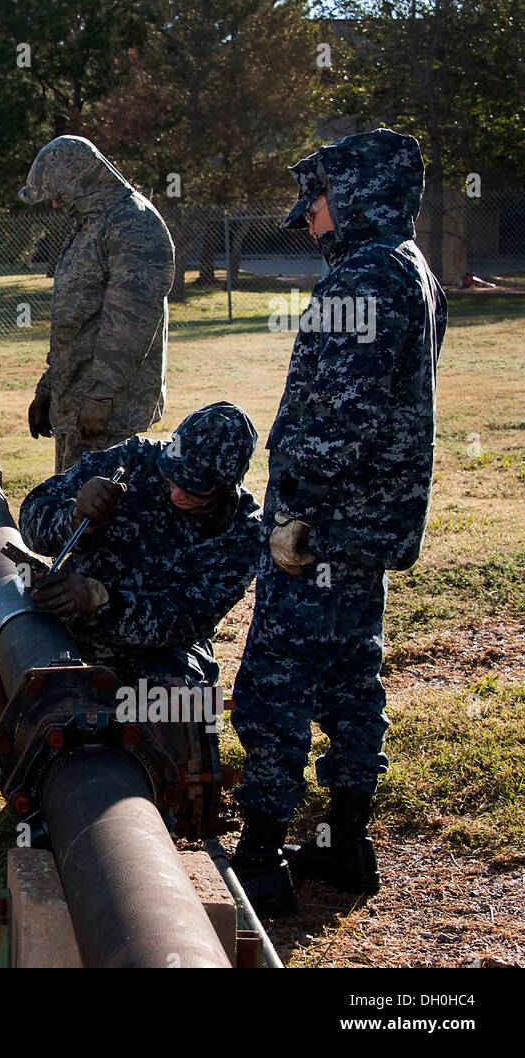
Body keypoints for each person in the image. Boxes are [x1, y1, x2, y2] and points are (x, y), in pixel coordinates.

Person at [229, 128, 447, 917]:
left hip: (320, 531)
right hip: (371, 529)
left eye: (316, 203)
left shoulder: (361, 277)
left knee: (277, 685)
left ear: (352, 196)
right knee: (354, 676)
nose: (310, 222)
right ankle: (347, 843)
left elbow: (340, 416)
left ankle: (258, 860)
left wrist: (299, 513)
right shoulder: (413, 271)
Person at [18, 402, 262, 697]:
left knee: (179, 712)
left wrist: (98, 600)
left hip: (164, 652)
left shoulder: (243, 531)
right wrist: (74, 519)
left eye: (193, 489)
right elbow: (32, 517)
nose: (175, 494)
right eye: (173, 478)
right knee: (47, 702)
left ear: (227, 485)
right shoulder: (134, 460)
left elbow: (186, 620)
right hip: (72, 628)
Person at [18, 135, 174, 474]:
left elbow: (131, 321)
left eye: (58, 195)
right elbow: (78, 320)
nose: (56, 206)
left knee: (95, 514)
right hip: (77, 401)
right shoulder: (90, 224)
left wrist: (102, 395)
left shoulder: (133, 224)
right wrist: (50, 387)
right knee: (67, 506)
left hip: (108, 412)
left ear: (79, 181)